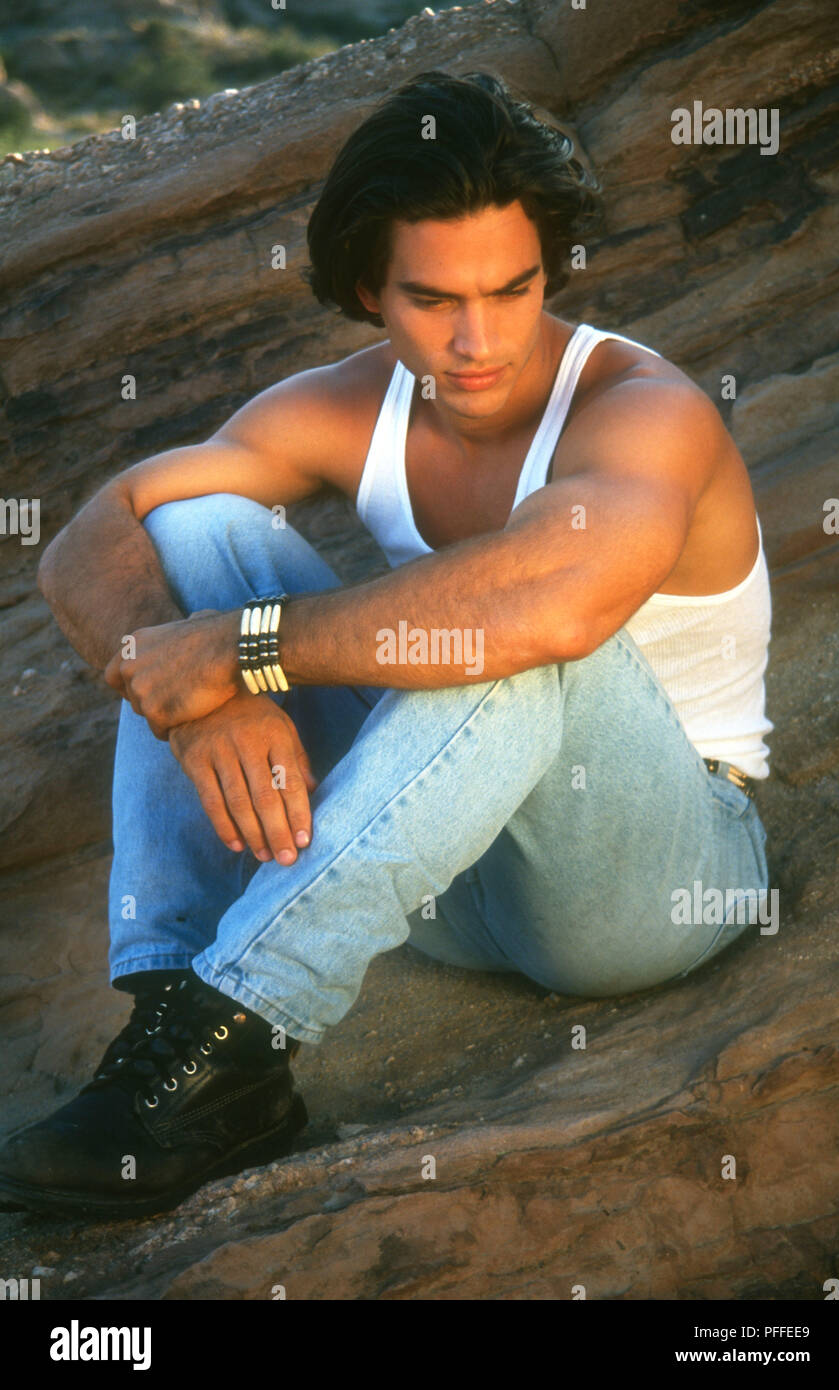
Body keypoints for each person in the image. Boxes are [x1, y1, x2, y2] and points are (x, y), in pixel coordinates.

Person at [0, 70, 773, 1219]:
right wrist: (202, 689)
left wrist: (243, 651)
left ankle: (244, 1018)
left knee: (513, 627)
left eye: (512, 290)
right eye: (431, 300)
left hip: (645, 874)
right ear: (368, 290)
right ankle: (180, 1036)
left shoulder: (640, 405)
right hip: (442, 860)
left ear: (548, 271)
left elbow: (552, 611)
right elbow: (91, 535)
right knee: (198, 527)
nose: (477, 339)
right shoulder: (345, 406)